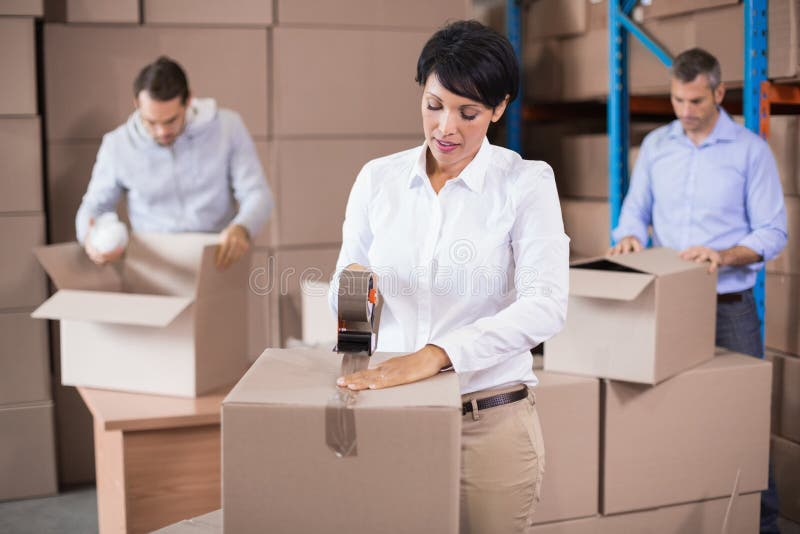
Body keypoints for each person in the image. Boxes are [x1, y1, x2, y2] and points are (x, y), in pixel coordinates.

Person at [329, 20, 569, 534]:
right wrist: (353, 292)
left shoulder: (525, 184)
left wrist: (438, 354)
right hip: (392, 414)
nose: (446, 128)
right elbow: (347, 296)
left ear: (499, 108)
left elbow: (545, 305)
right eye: (434, 105)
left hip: (487, 423)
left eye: (468, 113)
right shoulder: (379, 180)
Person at [609, 48, 787, 534]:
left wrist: (723, 255)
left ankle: (764, 523)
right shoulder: (657, 146)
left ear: (719, 93)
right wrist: (630, 236)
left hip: (729, 306)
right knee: (672, 410)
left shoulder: (750, 151)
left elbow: (774, 232)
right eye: (677, 100)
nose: (684, 111)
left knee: (744, 418)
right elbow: (634, 211)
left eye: (695, 101)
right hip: (670, 305)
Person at [75, 56, 272, 269]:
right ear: (137, 105)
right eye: (151, 122)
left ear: (188, 101)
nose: (162, 132)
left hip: (218, 260)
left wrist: (242, 227)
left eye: (171, 120)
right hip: (153, 267)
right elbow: (93, 207)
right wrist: (89, 238)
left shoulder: (227, 128)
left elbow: (257, 193)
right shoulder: (117, 145)